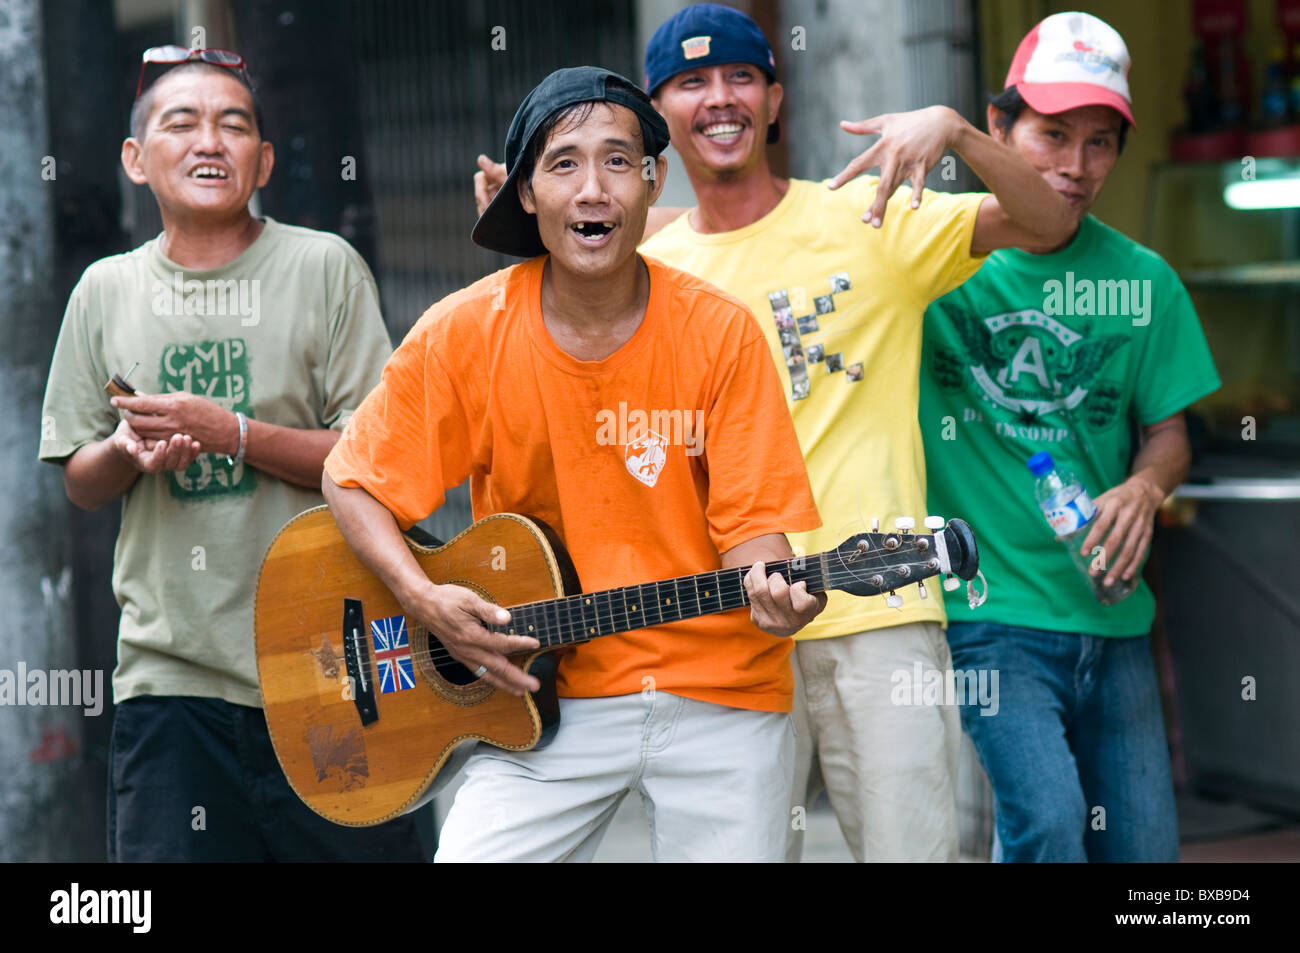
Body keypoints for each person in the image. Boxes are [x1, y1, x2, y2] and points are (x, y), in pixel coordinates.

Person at [475, 3, 1074, 862]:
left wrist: (955, 133)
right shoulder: (645, 267)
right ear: (656, 119)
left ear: (774, 96)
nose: (718, 99)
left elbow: (1048, 225)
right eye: (690, 83)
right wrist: (528, 234)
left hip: (880, 606)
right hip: (724, 629)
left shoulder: (869, 218)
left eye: (739, 77)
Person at [322, 66, 825, 863]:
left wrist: (778, 595)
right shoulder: (466, 333)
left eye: (619, 162)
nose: (593, 189)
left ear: (653, 182)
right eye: (564, 163)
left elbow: (754, 534)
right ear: (526, 193)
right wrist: (422, 598)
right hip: (540, 696)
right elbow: (352, 479)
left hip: (722, 688)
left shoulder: (721, 333)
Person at [38, 48, 411, 861]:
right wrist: (126, 450)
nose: (210, 142)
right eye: (182, 123)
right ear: (136, 160)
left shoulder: (324, 268)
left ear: (265, 160)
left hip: (336, 669)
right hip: (172, 683)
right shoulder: (104, 291)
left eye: (233, 125)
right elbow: (80, 479)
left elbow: (374, 458)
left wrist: (232, 433)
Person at [918, 12, 1221, 862]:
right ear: (999, 126)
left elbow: (1169, 434)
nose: (1075, 167)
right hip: (990, 616)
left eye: (1099, 143)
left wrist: (1144, 485)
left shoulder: (1145, 281)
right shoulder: (932, 264)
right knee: (1049, 826)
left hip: (1115, 616)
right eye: (1052, 134)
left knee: (1146, 860)